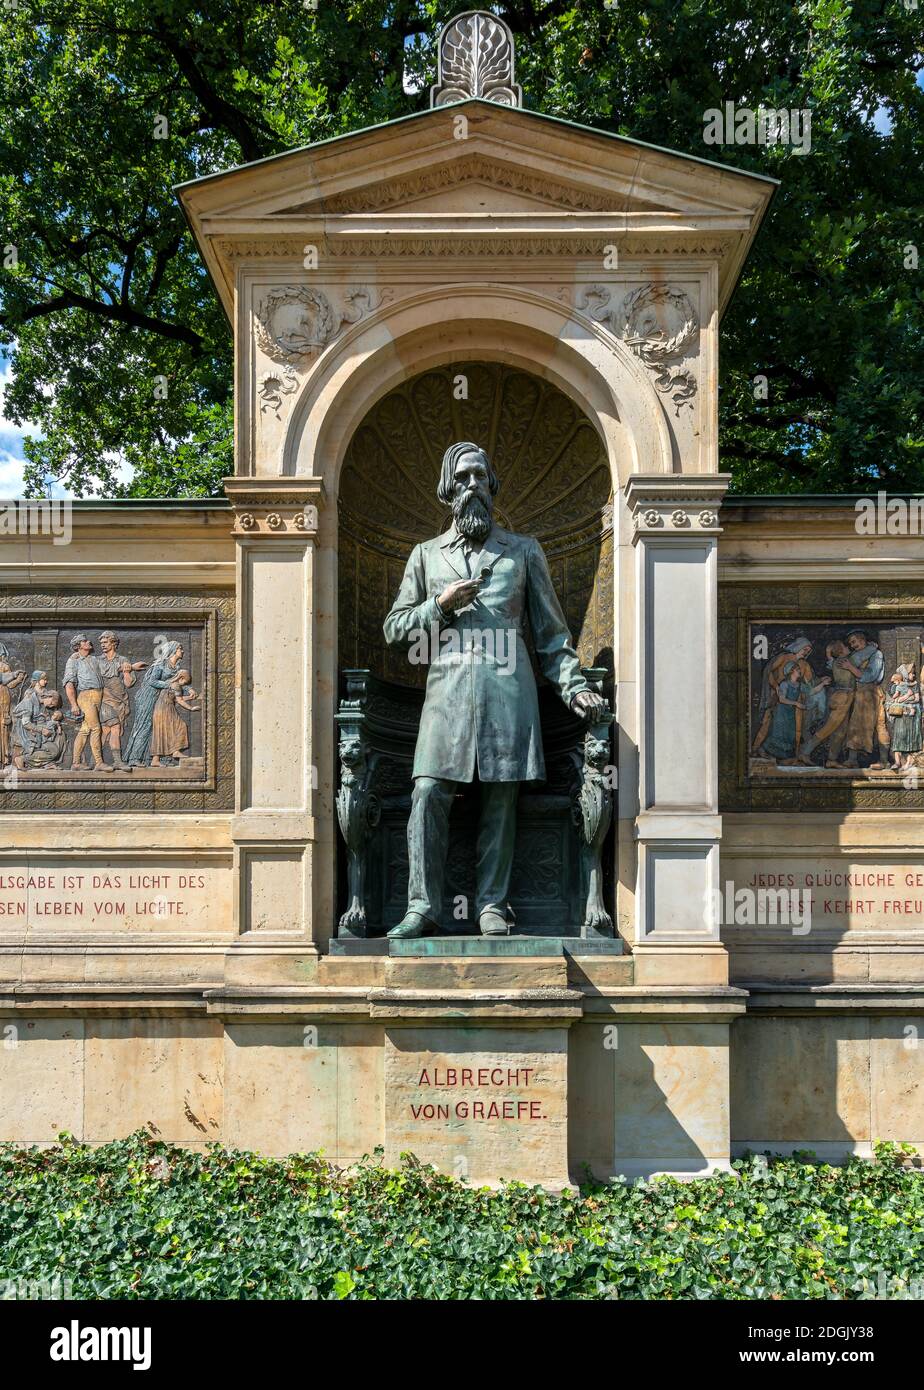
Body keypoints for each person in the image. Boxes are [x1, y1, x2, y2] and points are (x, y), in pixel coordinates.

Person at [383, 440, 605, 940]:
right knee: (427, 792)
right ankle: (421, 905)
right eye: (462, 478)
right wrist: (439, 604)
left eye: (480, 477)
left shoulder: (524, 551)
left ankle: (492, 906)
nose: (472, 487)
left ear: (492, 485)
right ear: (447, 489)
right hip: (446, 694)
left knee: (501, 799)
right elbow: (396, 630)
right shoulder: (425, 556)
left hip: (509, 692)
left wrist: (573, 688)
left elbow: (551, 635)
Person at [122, 641, 186, 767]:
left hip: (160, 698)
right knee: (145, 726)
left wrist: (189, 690)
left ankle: (155, 759)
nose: (182, 651)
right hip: (147, 696)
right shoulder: (160, 665)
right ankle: (134, 758)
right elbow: (152, 681)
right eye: (180, 649)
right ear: (173, 650)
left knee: (158, 726)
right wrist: (168, 685)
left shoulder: (175, 667)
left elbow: (178, 683)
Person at [63, 633, 111, 772]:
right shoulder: (73, 661)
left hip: (98, 696)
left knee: (84, 730)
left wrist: (130, 667)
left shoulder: (94, 659)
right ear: (78, 646)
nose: (88, 642)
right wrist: (73, 704)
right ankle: (99, 762)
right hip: (86, 697)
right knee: (96, 728)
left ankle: (76, 762)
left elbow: (108, 669)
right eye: (84, 641)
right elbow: (69, 684)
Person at [98, 631, 145, 771]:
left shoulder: (122, 660)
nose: (103, 645)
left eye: (105, 642)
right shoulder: (98, 660)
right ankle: (116, 761)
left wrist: (126, 671)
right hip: (104, 699)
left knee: (107, 730)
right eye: (101, 643)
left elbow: (129, 684)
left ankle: (95, 760)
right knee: (113, 728)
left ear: (113, 643)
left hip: (120, 700)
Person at [841, 631, 889, 770]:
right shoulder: (858, 656)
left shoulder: (876, 654)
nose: (853, 645)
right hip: (860, 693)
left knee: (872, 725)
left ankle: (883, 760)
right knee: (857, 725)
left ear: (863, 639)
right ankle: (853, 760)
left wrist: (851, 668)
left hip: (870, 694)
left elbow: (871, 675)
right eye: (850, 643)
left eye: (854, 641)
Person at [149, 670, 199, 766]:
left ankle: (156, 759)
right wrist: (191, 708)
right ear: (181, 678)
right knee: (181, 726)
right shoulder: (176, 686)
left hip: (160, 708)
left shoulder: (169, 682)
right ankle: (175, 751)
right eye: (185, 682)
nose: (184, 684)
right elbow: (179, 700)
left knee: (161, 732)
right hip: (166, 708)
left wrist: (189, 697)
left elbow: (176, 698)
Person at [886, 662, 922, 772]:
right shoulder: (898, 686)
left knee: (909, 739)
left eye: (914, 673)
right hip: (900, 715)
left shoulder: (914, 685)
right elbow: (894, 697)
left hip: (911, 717)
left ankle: (909, 762)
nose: (914, 675)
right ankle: (897, 762)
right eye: (911, 673)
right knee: (898, 738)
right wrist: (905, 697)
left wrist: (904, 699)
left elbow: (916, 699)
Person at [0, 642, 26, 768]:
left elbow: (9, 684)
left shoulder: (4, 665)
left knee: (4, 726)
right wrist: (14, 675)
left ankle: (5, 757)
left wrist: (19, 679)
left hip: (3, 697)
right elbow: (4, 679)